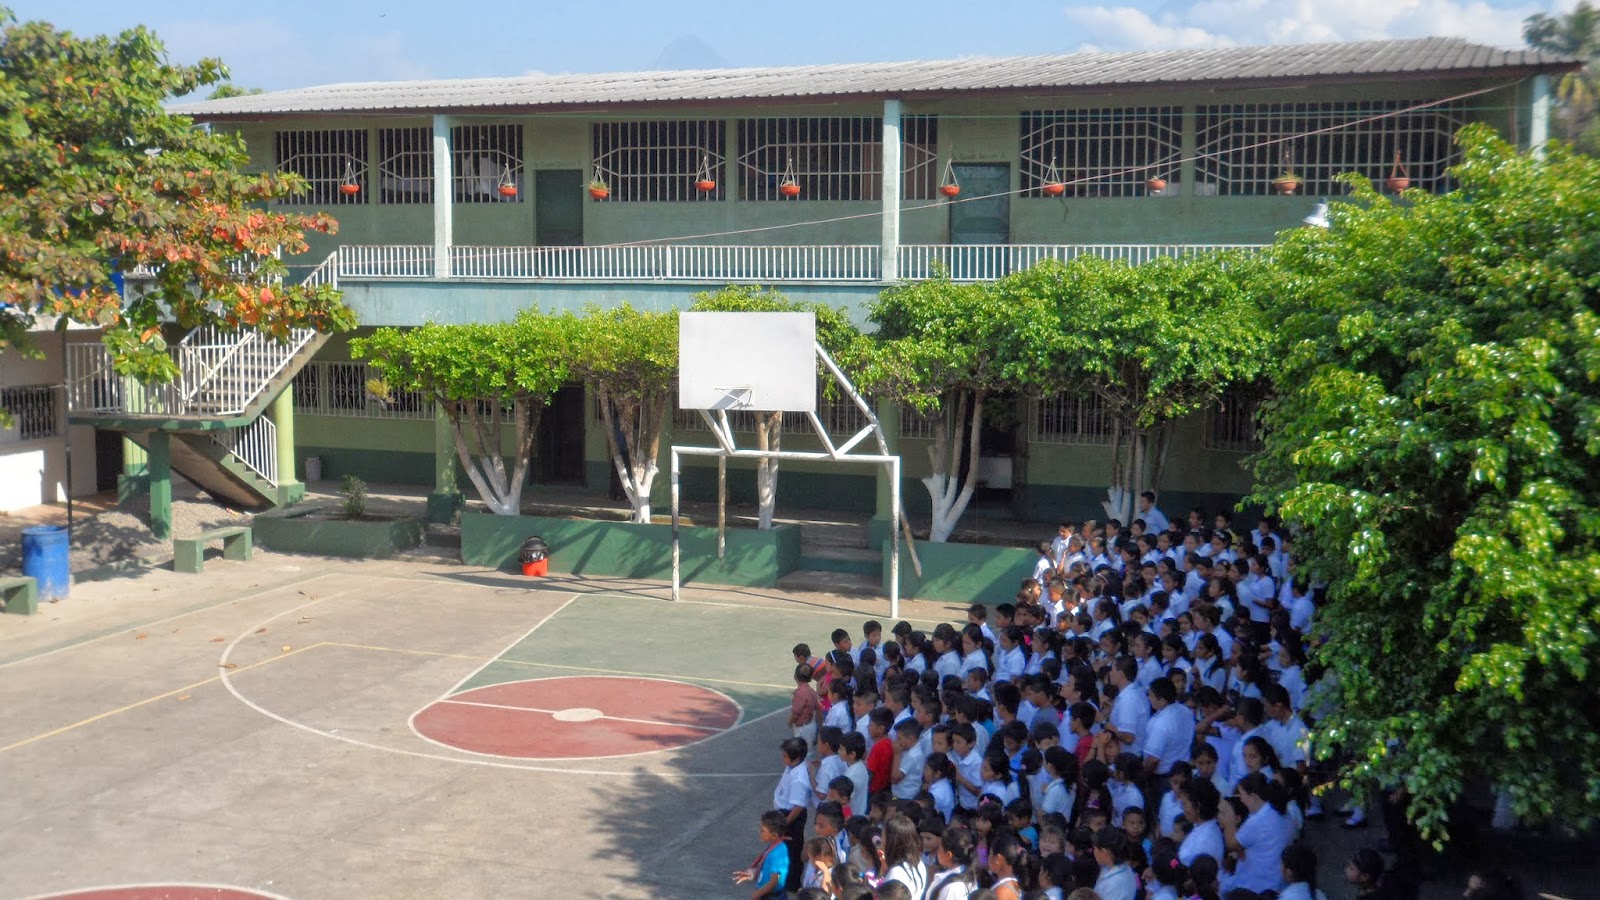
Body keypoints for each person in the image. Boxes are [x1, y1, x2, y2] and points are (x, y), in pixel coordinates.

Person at [1218, 772, 1292, 896]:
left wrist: (1228, 816)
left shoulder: (1258, 821)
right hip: (1275, 881)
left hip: (1256, 886)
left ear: (1253, 796)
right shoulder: (1281, 812)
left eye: (1242, 795)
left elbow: (1231, 844)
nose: (1241, 800)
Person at [773, 737, 813, 892]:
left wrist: (785, 823)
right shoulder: (793, 767)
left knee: (792, 850)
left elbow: (798, 806)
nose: (782, 758)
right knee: (785, 847)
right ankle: (784, 878)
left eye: (785, 756)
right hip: (784, 813)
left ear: (795, 758)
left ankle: (792, 883)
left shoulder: (799, 779)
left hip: (791, 817)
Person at [732, 810, 790, 900]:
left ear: (774, 836)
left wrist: (757, 894)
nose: (760, 831)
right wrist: (751, 873)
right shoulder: (775, 846)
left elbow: (774, 881)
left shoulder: (777, 853)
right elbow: (765, 868)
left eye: (763, 831)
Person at [1176, 778, 1225, 867]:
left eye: (1184, 803)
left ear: (1198, 806)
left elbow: (1182, 868)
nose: (1182, 808)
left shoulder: (1205, 841)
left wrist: (1171, 863)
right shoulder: (1200, 827)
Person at [880, 813, 929, 896]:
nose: (881, 840)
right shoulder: (918, 863)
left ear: (890, 841)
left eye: (882, 836)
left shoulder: (896, 873)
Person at [1091, 826, 1138, 900]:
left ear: (1104, 851)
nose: (1094, 852)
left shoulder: (1117, 884)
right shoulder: (1109, 867)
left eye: (1095, 849)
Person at [986, 832, 1029, 900]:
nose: (988, 858)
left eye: (990, 854)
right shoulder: (1014, 884)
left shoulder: (1002, 891)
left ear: (998, 858)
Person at [790, 663, 821, 755]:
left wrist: (790, 722)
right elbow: (818, 709)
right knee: (809, 752)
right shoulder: (812, 692)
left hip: (802, 727)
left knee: (801, 753)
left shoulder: (799, 694)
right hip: (811, 724)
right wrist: (821, 725)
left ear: (795, 677)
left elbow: (796, 713)